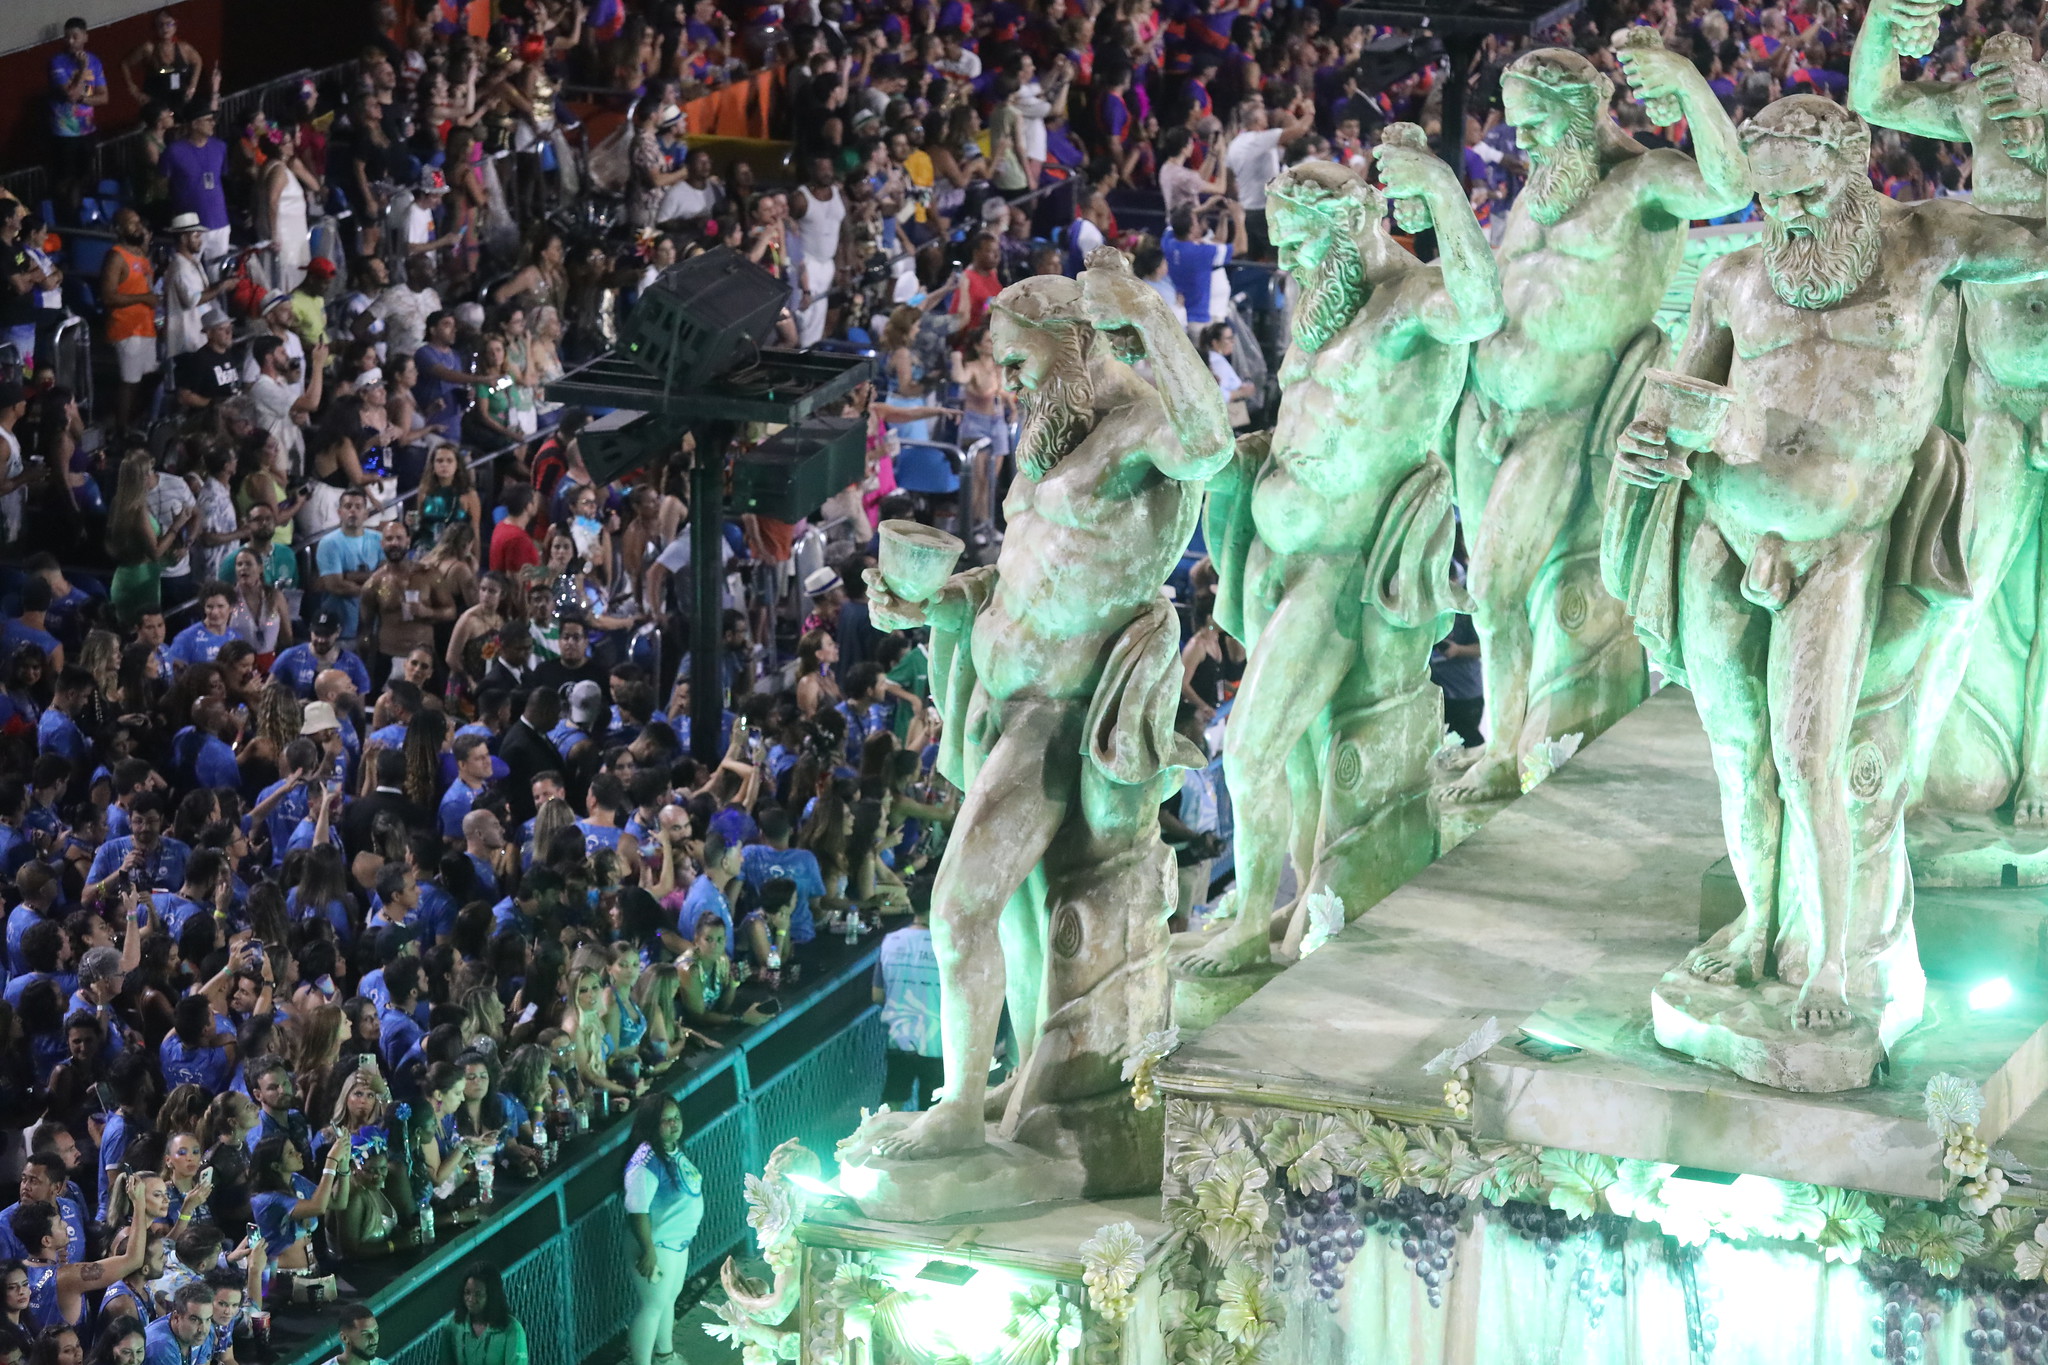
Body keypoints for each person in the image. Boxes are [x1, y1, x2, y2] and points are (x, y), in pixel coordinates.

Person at [621, 1095, 701, 1365]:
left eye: (676, 1117)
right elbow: (638, 1211)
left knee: (668, 1300)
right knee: (652, 1307)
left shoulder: (671, 1149)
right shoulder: (645, 1162)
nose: (673, 1124)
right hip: (656, 1245)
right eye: (665, 1119)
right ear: (650, 1124)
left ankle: (666, 1357)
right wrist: (648, 1250)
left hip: (676, 1244)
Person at [873, 901, 942, 1110]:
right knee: (933, 1109)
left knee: (892, 1103)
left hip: (899, 1038)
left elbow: (877, 995)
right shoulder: (947, 943)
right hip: (937, 1041)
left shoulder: (891, 941)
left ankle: (882, 1142)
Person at [440, 1262, 527, 1365]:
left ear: (491, 1296)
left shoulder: (512, 1330)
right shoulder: (453, 1325)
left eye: (478, 1294)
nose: (471, 1299)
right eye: (467, 1292)